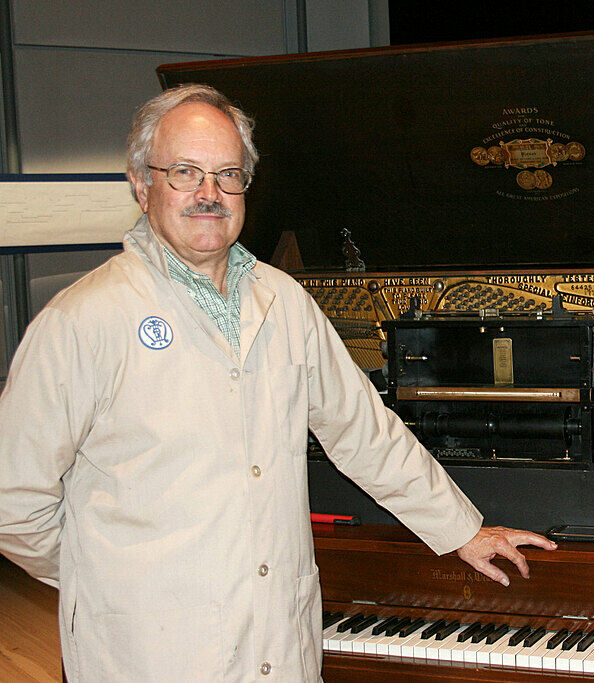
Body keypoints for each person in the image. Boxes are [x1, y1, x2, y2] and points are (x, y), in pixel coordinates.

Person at [0, 84, 555, 681]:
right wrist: (110, 575)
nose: (208, 194)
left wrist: (463, 529)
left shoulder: (284, 301)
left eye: (227, 174)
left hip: (277, 645)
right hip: (147, 652)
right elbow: (11, 500)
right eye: (185, 172)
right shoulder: (81, 320)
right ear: (142, 184)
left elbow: (362, 432)